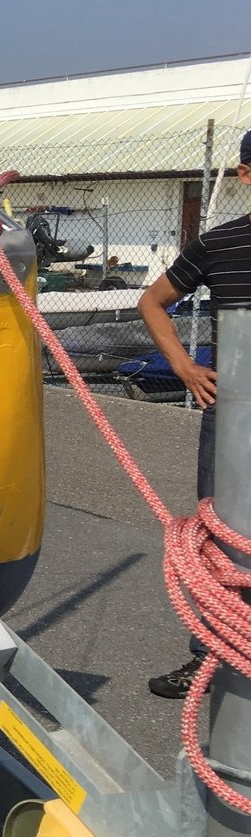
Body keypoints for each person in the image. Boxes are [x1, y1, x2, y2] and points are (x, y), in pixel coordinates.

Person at [136, 128, 251, 699]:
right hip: (231, 415)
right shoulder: (220, 243)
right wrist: (182, 366)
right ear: (246, 176)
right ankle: (211, 657)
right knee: (221, 533)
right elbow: (152, 301)